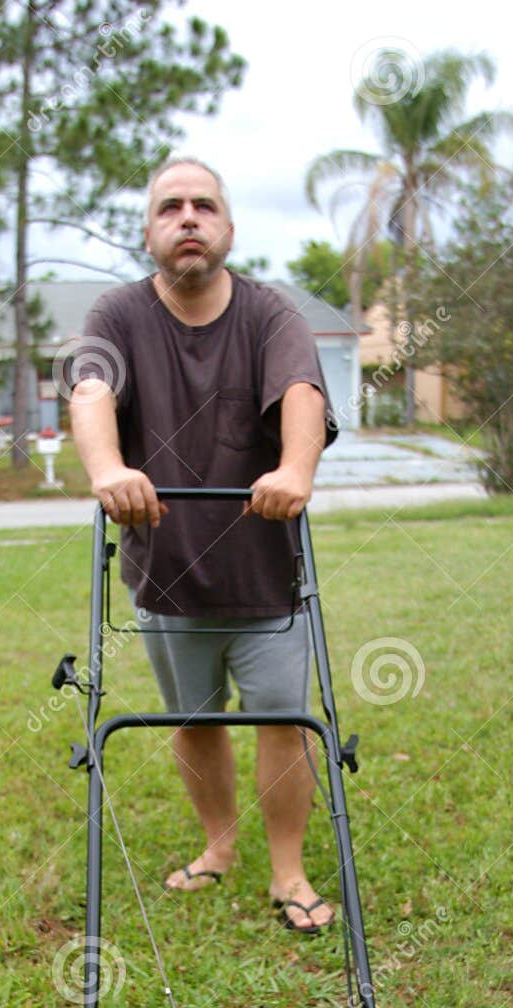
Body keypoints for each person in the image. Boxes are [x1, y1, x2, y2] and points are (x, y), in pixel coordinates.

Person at [68, 156, 338, 933]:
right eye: (170, 207)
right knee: (193, 719)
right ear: (149, 230)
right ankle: (218, 847)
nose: (188, 218)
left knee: (283, 720)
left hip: (265, 571)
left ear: (228, 228)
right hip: (168, 570)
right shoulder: (118, 315)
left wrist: (293, 470)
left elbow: (302, 393)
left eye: (204, 205)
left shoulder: (270, 314)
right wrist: (108, 468)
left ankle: (288, 872)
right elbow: (91, 390)